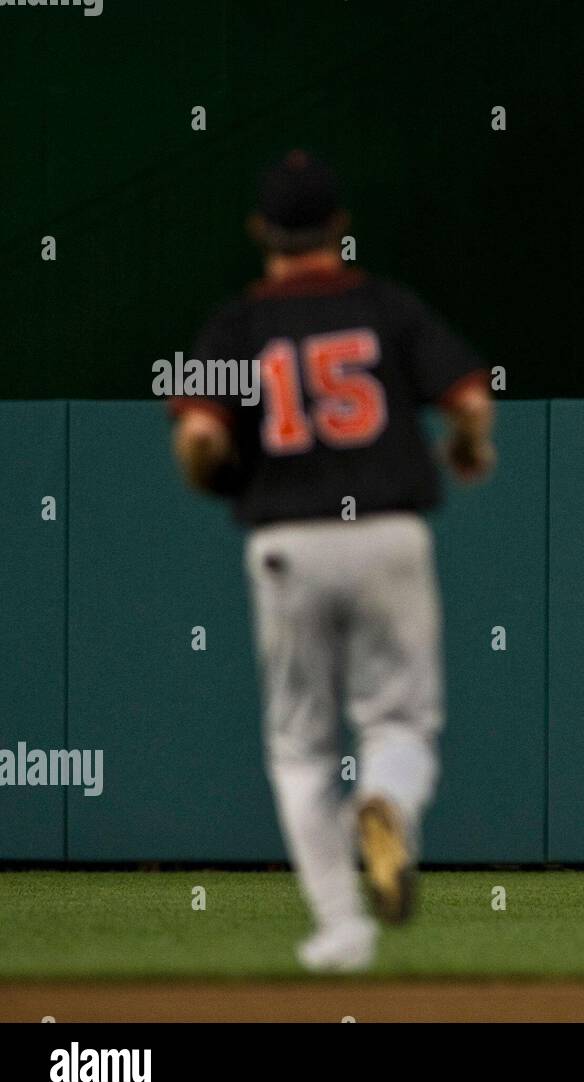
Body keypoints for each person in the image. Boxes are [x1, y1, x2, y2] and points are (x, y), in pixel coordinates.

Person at [170, 150, 494, 969]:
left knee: (300, 748)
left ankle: (342, 932)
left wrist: (221, 476)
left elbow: (201, 437)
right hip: (389, 533)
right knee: (399, 721)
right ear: (338, 228)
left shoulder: (237, 326)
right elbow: (468, 401)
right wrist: (466, 448)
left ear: (260, 232)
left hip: (288, 540)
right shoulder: (385, 307)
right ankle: (386, 803)